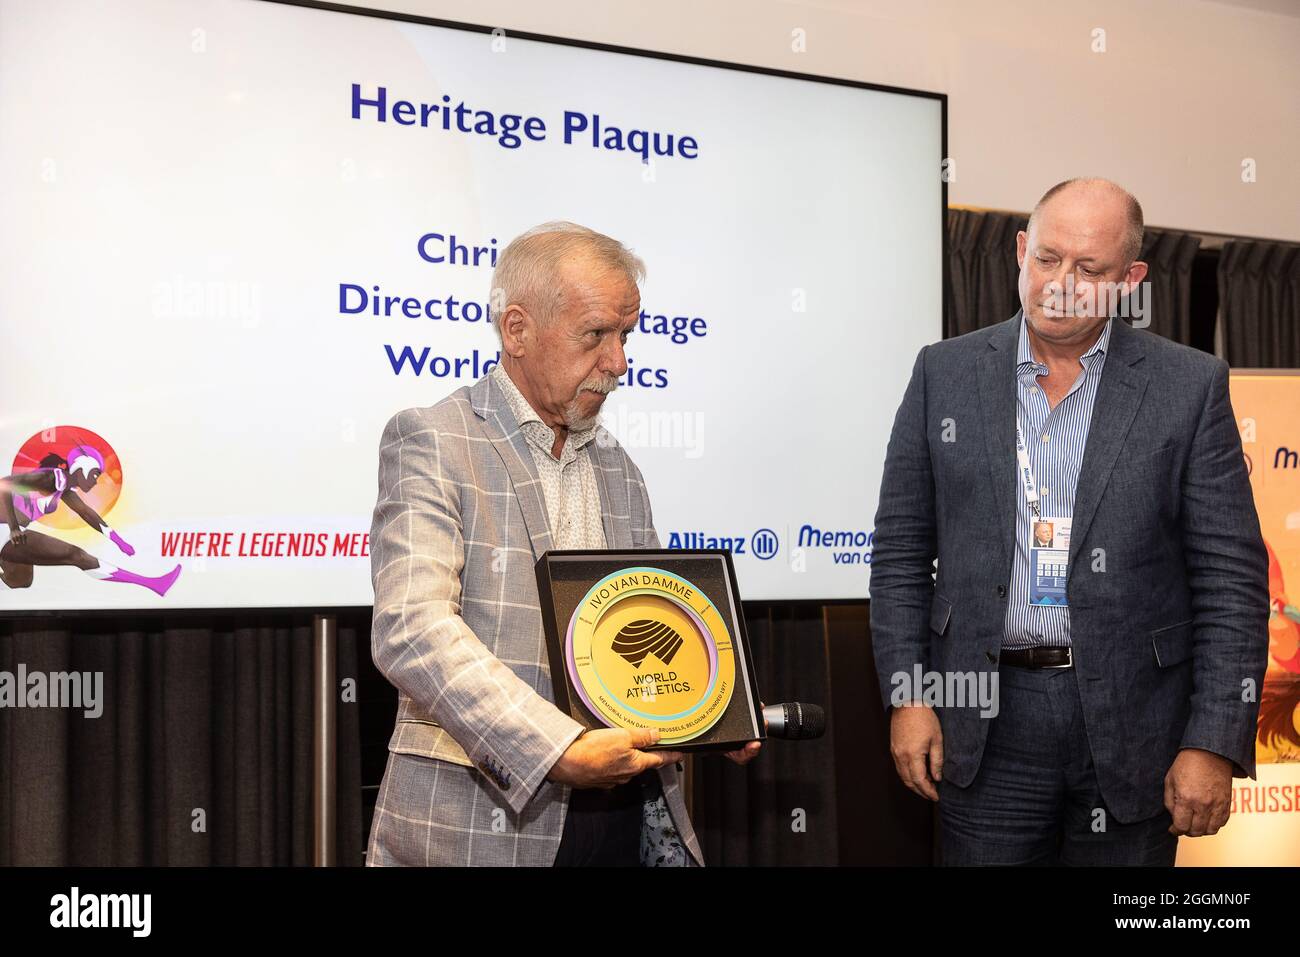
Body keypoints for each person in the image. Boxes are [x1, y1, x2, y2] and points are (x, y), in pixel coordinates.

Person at [870, 178, 1268, 865]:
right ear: (1020, 251)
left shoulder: (1189, 387)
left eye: (1090, 268)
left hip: (1135, 726)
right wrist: (907, 698)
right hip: (983, 722)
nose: (1061, 282)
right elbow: (901, 553)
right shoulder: (945, 372)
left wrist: (1212, 740)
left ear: (1131, 279)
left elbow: (1231, 581)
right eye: (1048, 258)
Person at [366, 221, 758, 867]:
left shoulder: (620, 469)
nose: (619, 361)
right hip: (479, 826)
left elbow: (655, 624)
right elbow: (412, 627)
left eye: (626, 336)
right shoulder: (434, 439)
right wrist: (556, 748)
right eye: (596, 334)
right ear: (516, 329)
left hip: (619, 817)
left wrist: (712, 714)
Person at [1, 443, 180, 596]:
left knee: (21, 581)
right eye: (94, 474)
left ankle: (154, 584)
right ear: (81, 468)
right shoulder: (49, 478)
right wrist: (14, 527)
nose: (95, 481)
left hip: (10, 532)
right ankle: (153, 584)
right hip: (5, 529)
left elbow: (87, 513)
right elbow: (5, 484)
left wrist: (118, 541)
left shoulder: (63, 488)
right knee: (75, 555)